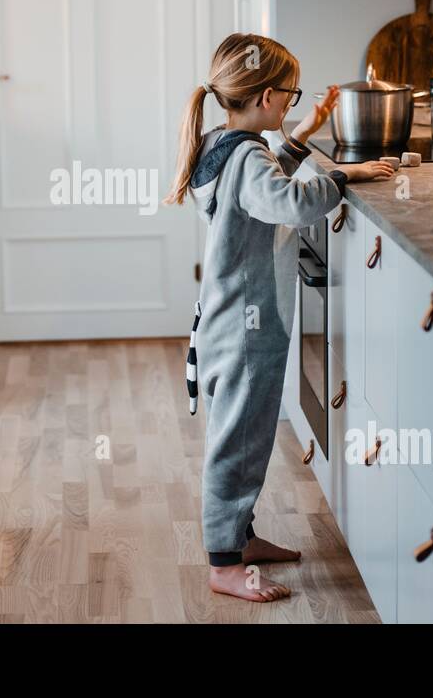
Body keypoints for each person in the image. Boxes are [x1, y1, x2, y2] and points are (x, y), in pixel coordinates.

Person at [165, 33, 394, 602]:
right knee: (237, 445)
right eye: (292, 96)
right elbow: (289, 202)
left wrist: (304, 138)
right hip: (247, 329)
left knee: (243, 437)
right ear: (268, 97)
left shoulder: (220, 143)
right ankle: (223, 565)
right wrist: (341, 178)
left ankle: (237, 540)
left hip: (224, 322)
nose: (293, 104)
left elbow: (258, 189)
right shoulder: (246, 156)